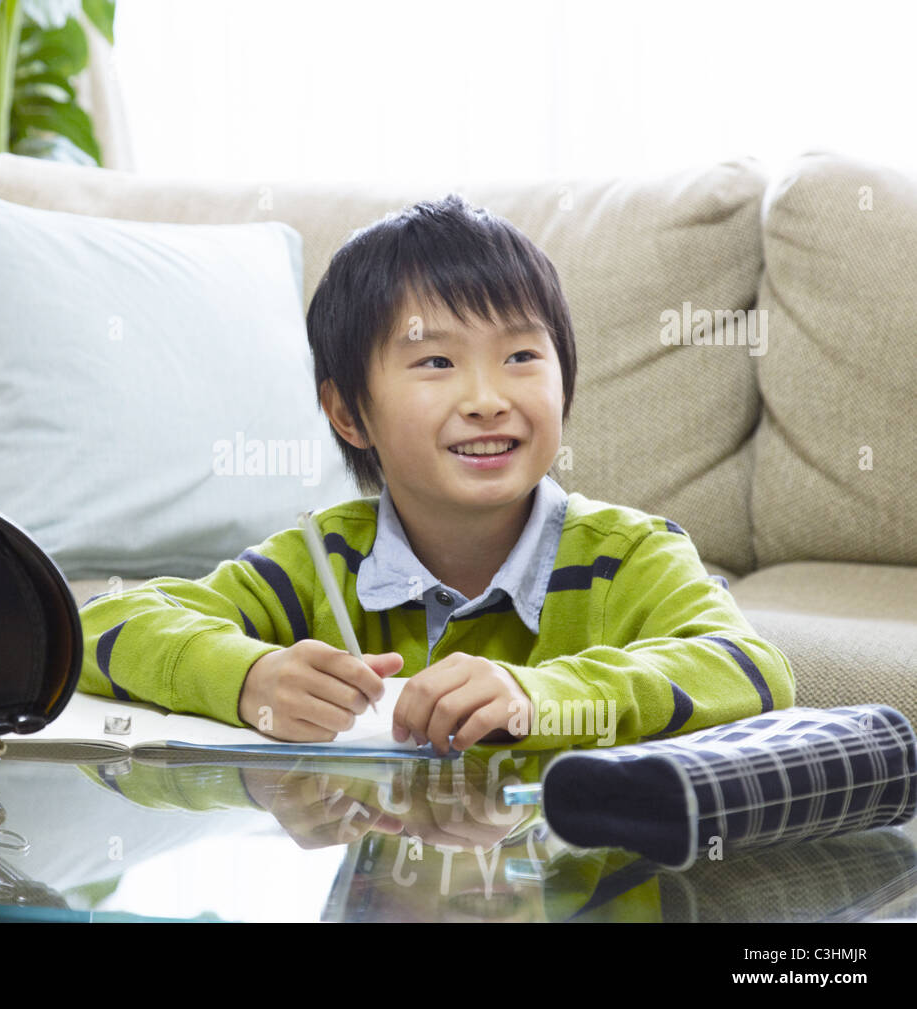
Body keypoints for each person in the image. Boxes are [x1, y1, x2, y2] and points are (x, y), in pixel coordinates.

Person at [76, 193, 795, 753]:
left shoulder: (629, 556)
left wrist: (539, 696)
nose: (487, 400)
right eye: (436, 363)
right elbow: (101, 628)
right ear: (350, 414)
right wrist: (248, 679)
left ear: (565, 385)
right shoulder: (321, 561)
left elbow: (752, 671)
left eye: (521, 357)